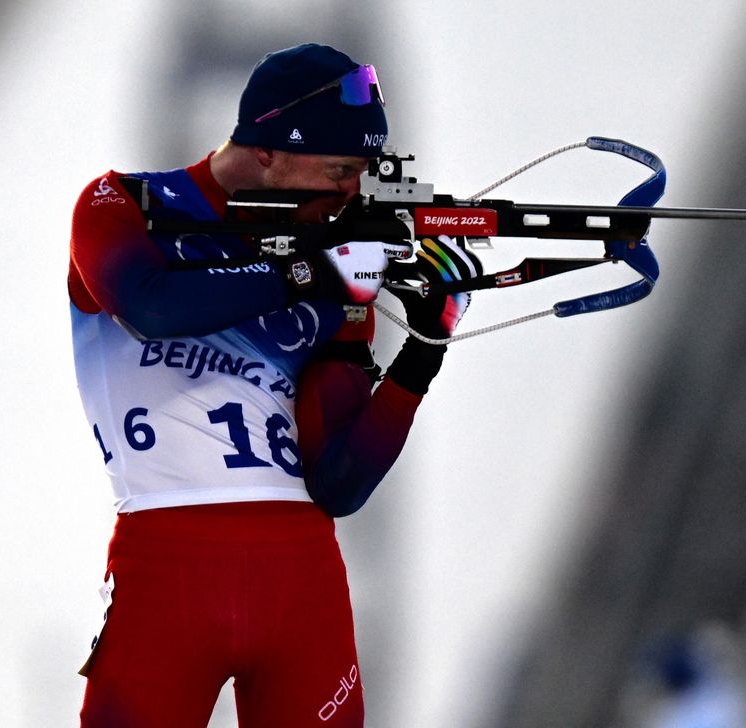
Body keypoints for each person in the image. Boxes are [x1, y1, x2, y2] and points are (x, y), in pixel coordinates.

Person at [66, 43, 481, 727]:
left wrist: (422, 352)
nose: (353, 195)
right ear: (266, 151)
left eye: (365, 176)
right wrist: (314, 272)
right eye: (340, 171)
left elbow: (340, 483)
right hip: (166, 565)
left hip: (301, 575)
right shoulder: (125, 204)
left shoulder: (332, 256)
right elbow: (151, 308)